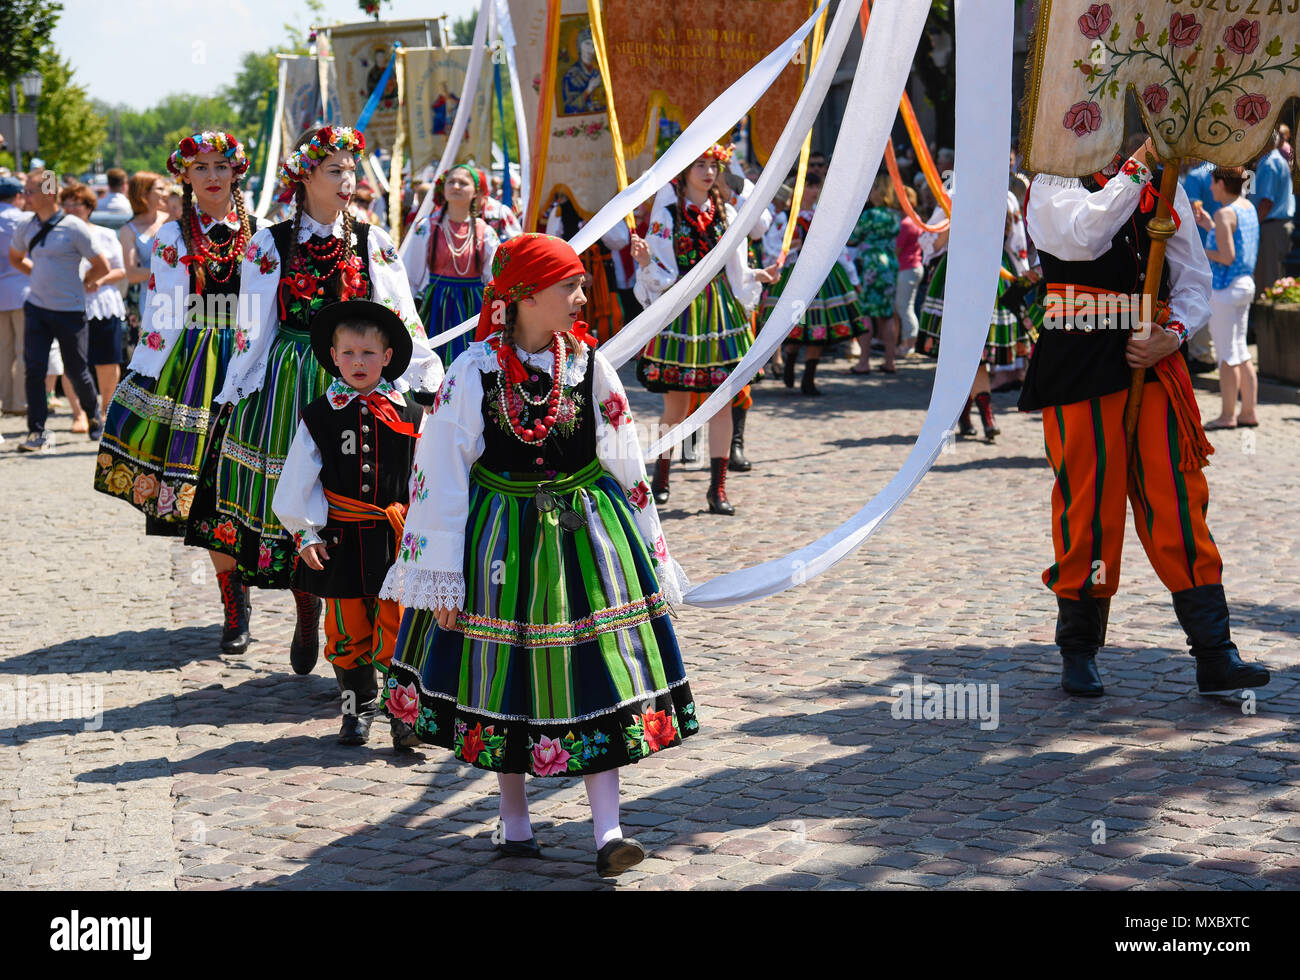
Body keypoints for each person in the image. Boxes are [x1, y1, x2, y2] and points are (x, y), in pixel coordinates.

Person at [379, 233, 695, 876]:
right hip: (500, 541)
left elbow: (624, 456)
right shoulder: (472, 373)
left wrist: (650, 549)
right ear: (524, 297)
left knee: (600, 670)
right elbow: (438, 473)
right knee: (506, 675)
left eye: (580, 284)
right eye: (569, 287)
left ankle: (609, 833)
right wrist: (440, 578)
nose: (583, 297)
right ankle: (515, 821)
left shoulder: (588, 365)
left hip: (585, 536)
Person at [184, 125, 441, 675]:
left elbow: (400, 315)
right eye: (335, 171)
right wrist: (238, 390)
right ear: (305, 175)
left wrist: (422, 375)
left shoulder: (373, 240)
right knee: (295, 494)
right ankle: (304, 606)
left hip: (355, 382)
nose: (349, 181)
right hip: (290, 379)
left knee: (350, 502)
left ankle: (345, 636)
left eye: (352, 171)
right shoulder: (269, 244)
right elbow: (254, 328)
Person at [1022, 138, 1270, 699]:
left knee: (1177, 498)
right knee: (1089, 502)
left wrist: (1172, 335)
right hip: (1079, 360)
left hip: (1150, 357)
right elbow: (1084, 237)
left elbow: (1193, 277)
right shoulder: (1052, 182)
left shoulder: (1162, 184)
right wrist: (1141, 164)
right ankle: (1079, 646)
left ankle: (1215, 652)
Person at [94, 133, 261, 654]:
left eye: (221, 165)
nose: (212, 175)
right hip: (198, 366)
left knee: (263, 482)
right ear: (184, 177)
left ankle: (301, 603)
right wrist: (142, 373)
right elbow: (162, 310)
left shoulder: (262, 233)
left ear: (237, 172)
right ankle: (234, 603)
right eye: (200, 167)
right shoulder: (173, 235)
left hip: (254, 359)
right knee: (209, 486)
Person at [273, 300, 424, 747]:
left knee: (399, 627)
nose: (359, 363)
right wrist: (304, 533)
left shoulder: (414, 415)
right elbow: (299, 477)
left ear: (388, 357)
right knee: (345, 631)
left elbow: (428, 478)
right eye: (349, 354)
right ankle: (354, 711)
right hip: (341, 541)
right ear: (334, 357)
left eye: (369, 354)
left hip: (396, 539)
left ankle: (404, 716)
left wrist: (428, 532)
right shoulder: (318, 415)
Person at [631, 144, 780, 513]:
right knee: (676, 405)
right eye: (700, 164)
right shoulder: (667, 215)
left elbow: (737, 266)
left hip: (719, 311)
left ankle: (718, 489)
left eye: (713, 165)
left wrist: (756, 276)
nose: (708, 171)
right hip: (682, 307)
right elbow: (662, 273)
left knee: (723, 403)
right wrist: (647, 262)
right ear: (684, 172)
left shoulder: (727, 212)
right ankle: (661, 477)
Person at [918, 188, 1038, 441]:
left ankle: (968, 413)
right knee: (969, 353)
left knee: (977, 352)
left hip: (992, 275)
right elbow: (931, 242)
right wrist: (956, 219)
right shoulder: (951, 195)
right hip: (958, 274)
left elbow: (1016, 242)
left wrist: (1021, 277)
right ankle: (985, 416)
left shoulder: (1005, 196)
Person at [8, 170, 112, 452]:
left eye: (30, 191)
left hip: (70, 310)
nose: (25, 196)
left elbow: (101, 266)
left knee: (77, 370)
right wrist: (37, 274)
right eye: (25, 190)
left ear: (49, 194)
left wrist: (83, 284)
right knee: (35, 370)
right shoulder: (26, 227)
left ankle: (93, 415)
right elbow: (15, 258)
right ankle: (37, 430)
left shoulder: (74, 227)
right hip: (37, 308)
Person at [764, 173, 864, 393]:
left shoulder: (824, 216)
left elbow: (840, 247)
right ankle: (789, 359)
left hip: (822, 276)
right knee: (795, 325)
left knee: (818, 328)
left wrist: (853, 278)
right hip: (795, 275)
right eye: (809, 186)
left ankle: (809, 379)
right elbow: (771, 248)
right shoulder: (786, 218)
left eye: (816, 186)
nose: (814, 191)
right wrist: (793, 247)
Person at [405, 164, 499, 370]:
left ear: (476, 192)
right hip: (437, 303)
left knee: (472, 364)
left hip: (472, 305)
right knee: (434, 362)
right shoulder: (427, 227)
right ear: (443, 188)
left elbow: (494, 278)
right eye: (451, 182)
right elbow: (410, 274)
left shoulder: (485, 232)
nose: (456, 186)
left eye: (463, 183)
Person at [1196, 166, 1260, 430]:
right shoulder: (1247, 206)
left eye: (1213, 183)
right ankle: (1248, 412)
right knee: (1241, 352)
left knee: (1227, 355)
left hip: (1226, 288)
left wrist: (1201, 250)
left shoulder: (1224, 213)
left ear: (1222, 183)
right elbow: (1233, 239)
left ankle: (1227, 415)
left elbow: (1226, 255)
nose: (1210, 188)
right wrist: (1209, 225)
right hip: (1244, 284)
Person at [58, 183, 126, 403]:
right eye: (66, 204)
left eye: (76, 204)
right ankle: (79, 413)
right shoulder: (56, 236)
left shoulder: (105, 234)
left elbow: (120, 269)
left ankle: (105, 409)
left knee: (107, 360)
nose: (71, 209)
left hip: (103, 303)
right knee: (72, 362)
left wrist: (100, 279)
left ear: (89, 207)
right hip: (69, 304)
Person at [847, 174, 902, 374]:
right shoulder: (894, 215)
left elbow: (852, 239)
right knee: (887, 315)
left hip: (871, 265)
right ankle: (890, 360)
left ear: (879, 191)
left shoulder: (870, 216)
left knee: (866, 313)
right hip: (889, 265)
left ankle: (864, 361)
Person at [118, 171, 170, 354]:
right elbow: (132, 274)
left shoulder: (173, 220)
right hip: (150, 302)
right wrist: (168, 270)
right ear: (144, 194)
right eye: (160, 188)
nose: (166, 193)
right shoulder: (128, 230)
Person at [1249, 129, 1295, 294]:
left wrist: (1253, 226)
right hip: (1274, 226)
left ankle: (1265, 319)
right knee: (1271, 277)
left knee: (1268, 281)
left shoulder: (1270, 163)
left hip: (1271, 227)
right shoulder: (1272, 160)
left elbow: (1266, 202)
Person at [0, 175, 29, 416]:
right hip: (22, 290)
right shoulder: (23, 220)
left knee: (3, 351)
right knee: (23, 350)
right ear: (18, 196)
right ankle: (19, 402)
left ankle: (5, 401)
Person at [894, 185, 925, 358]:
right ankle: (907, 342)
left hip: (907, 268)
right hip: (913, 267)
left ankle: (909, 344)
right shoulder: (915, 219)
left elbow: (897, 250)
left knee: (904, 307)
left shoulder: (906, 224)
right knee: (906, 306)